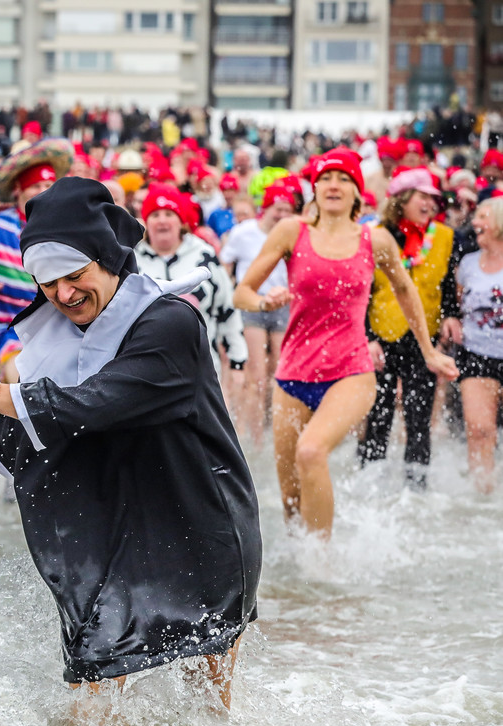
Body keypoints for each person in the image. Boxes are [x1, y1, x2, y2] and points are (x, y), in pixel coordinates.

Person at [0, 177, 261, 726]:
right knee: (93, 698)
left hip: (200, 528)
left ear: (109, 258)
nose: (64, 294)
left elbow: (92, 403)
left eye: (76, 276)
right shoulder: (57, 336)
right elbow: (30, 428)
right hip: (115, 537)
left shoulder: (169, 323)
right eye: (48, 281)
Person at [234, 149, 457, 538]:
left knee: (311, 451)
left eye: (344, 179)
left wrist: (429, 351)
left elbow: (407, 293)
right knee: (290, 498)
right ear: (314, 188)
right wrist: (262, 301)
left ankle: (324, 564)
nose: (333, 185)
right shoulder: (291, 231)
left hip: (351, 371)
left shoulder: (377, 239)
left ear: (358, 192)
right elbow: (242, 293)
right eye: (325, 178)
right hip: (293, 374)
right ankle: (300, 568)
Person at [357, 167, 471, 488]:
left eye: (433, 198)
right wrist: (367, 337)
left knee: (418, 415)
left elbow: (450, 283)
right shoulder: (375, 235)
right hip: (382, 334)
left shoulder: (445, 236)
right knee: (378, 412)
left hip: (425, 339)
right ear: (402, 199)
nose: (430, 204)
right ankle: (370, 481)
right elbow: (361, 291)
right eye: (422, 197)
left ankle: (417, 486)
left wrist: (451, 313)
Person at [0, 140, 72, 382]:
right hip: (3, 325)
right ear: (19, 189)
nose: (43, 191)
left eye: (48, 184)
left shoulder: (66, 229)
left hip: (54, 325)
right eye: (35, 185)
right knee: (14, 383)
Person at [133, 183, 247, 381]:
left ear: (180, 221)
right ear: (146, 221)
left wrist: (237, 358)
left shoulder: (204, 254)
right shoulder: (133, 260)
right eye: (155, 215)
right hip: (147, 371)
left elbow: (226, 308)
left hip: (201, 367)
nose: (162, 221)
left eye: (169, 214)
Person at [221, 178, 299, 445]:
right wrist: (228, 294)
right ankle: (255, 439)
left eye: (287, 210)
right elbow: (225, 263)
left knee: (280, 374)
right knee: (257, 375)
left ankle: (275, 432)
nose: (282, 215)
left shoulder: (293, 232)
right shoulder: (244, 232)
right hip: (252, 304)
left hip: (284, 304)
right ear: (265, 209)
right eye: (277, 208)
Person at [442, 197, 503, 493]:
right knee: (480, 430)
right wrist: (450, 318)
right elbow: (452, 300)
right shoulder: (467, 263)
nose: (475, 222)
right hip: (477, 353)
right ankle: (483, 496)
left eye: (483, 216)